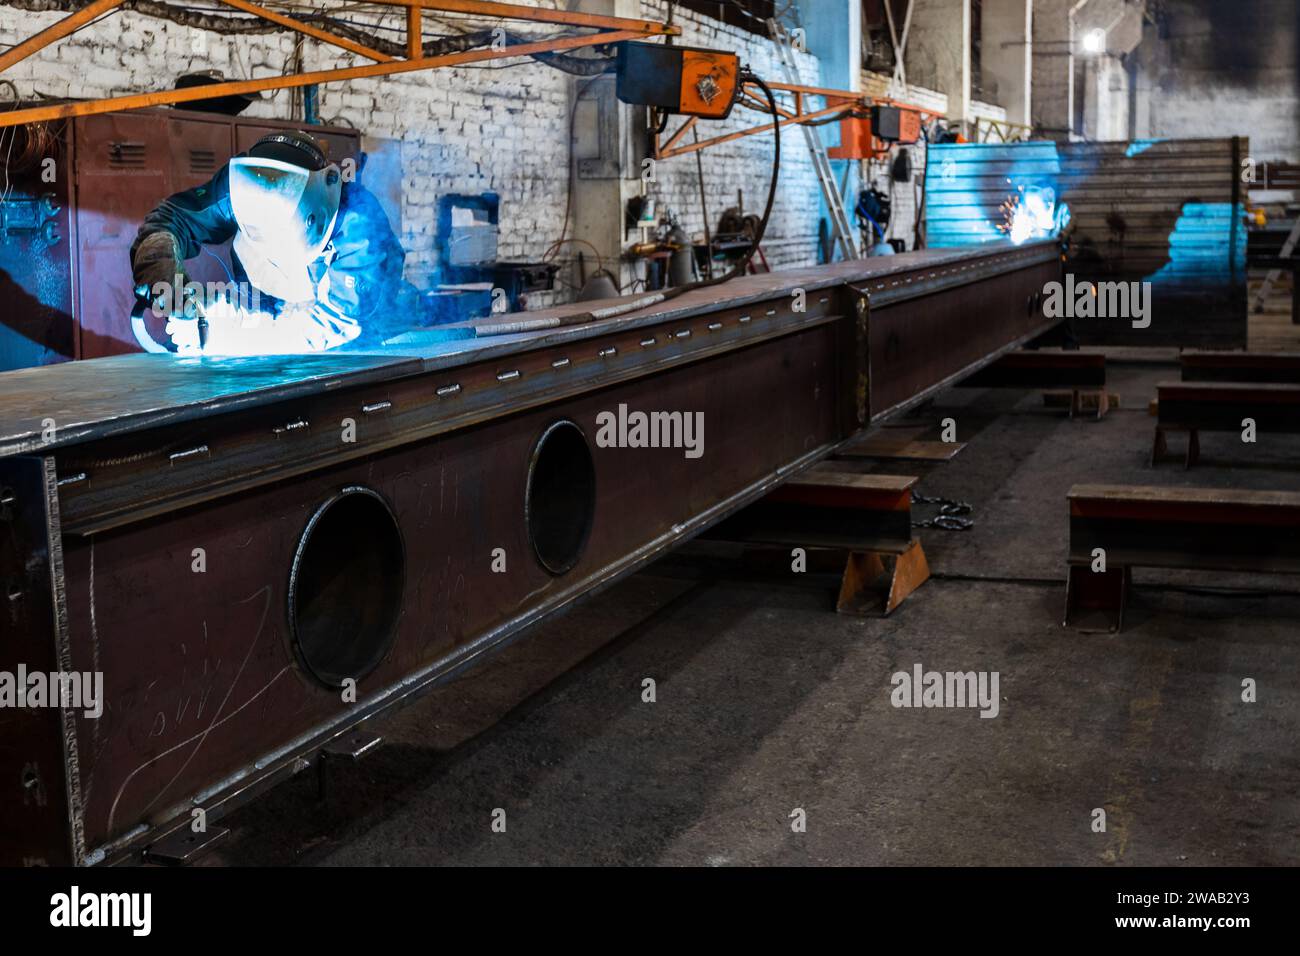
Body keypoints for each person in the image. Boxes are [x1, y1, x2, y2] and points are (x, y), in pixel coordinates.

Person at [130, 129, 427, 353]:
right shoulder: (242, 189)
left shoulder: (360, 225)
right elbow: (170, 220)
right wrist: (165, 279)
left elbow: (339, 325)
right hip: (265, 311)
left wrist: (222, 337)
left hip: (358, 340)